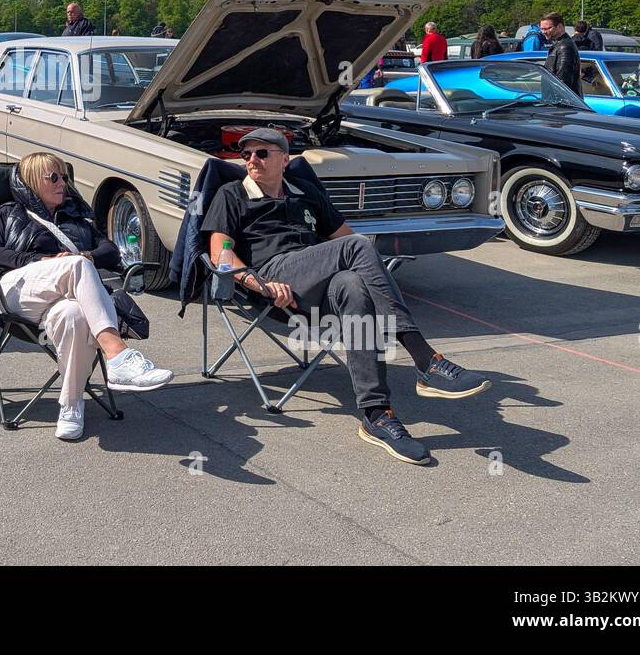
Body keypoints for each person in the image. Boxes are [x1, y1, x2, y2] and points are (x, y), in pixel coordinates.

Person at [202, 128, 490, 465]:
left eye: (261, 153)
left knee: (354, 286)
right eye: (245, 154)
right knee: (359, 247)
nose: (251, 160)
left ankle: (376, 415)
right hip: (273, 281)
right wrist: (258, 283)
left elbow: (346, 240)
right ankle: (425, 358)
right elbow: (221, 254)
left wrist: (367, 275)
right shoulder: (231, 194)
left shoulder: (305, 193)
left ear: (284, 159)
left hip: (313, 288)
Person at [0, 152, 173, 440]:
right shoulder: (9, 213)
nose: (63, 183)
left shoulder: (77, 216)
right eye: (54, 177)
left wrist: (83, 254)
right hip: (17, 291)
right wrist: (43, 262)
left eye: (64, 177)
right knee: (76, 266)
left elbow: (110, 250)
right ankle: (117, 354)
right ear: (34, 182)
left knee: (73, 316)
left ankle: (71, 406)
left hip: (65, 300)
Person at [540, 12, 581, 95]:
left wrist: (555, 104)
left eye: (548, 28)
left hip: (562, 103)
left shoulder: (565, 47)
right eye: (542, 29)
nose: (544, 32)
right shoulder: (559, 45)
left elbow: (563, 81)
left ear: (560, 27)